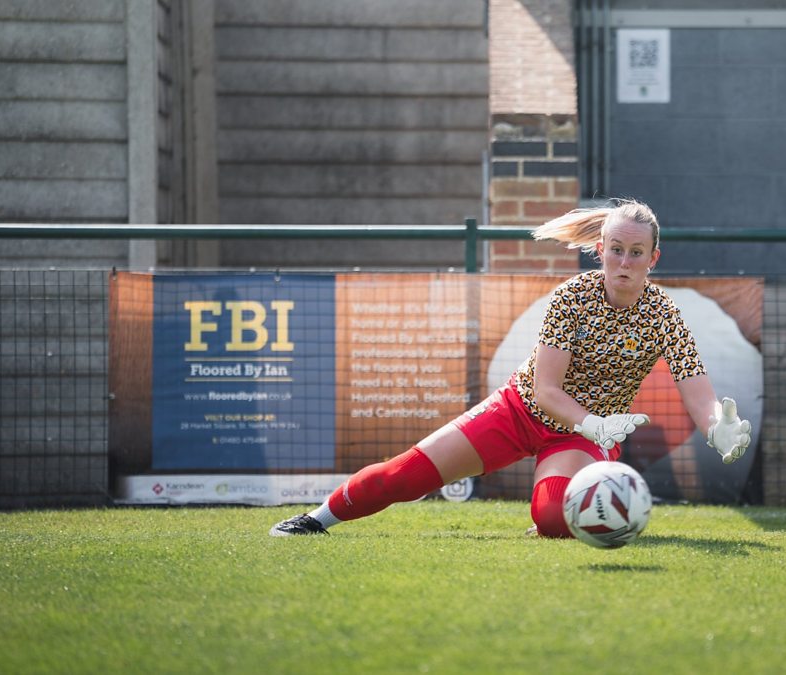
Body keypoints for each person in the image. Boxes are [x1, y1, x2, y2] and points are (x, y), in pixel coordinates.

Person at [270, 199, 753, 537]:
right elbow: (545, 391)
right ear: (600, 250)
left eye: (636, 252)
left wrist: (718, 426)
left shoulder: (664, 313)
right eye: (616, 249)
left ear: (653, 258)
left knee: (553, 520)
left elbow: (697, 391)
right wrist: (594, 421)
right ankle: (314, 519)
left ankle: (555, 516)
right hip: (518, 410)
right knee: (404, 475)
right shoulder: (572, 297)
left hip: (578, 439)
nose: (624, 261)